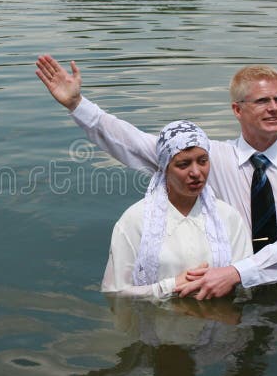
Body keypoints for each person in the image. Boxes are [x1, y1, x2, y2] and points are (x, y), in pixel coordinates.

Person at [35, 55, 277, 299]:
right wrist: (78, 105)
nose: (274, 108)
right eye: (262, 101)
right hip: (223, 284)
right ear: (237, 109)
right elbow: (132, 142)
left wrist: (236, 272)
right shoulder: (208, 157)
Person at [102, 120, 251, 299]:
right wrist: (170, 286)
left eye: (202, 161)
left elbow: (247, 280)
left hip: (219, 315)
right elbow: (115, 292)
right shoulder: (135, 220)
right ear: (165, 168)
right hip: (161, 317)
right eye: (183, 164)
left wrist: (224, 280)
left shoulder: (228, 217)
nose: (196, 172)